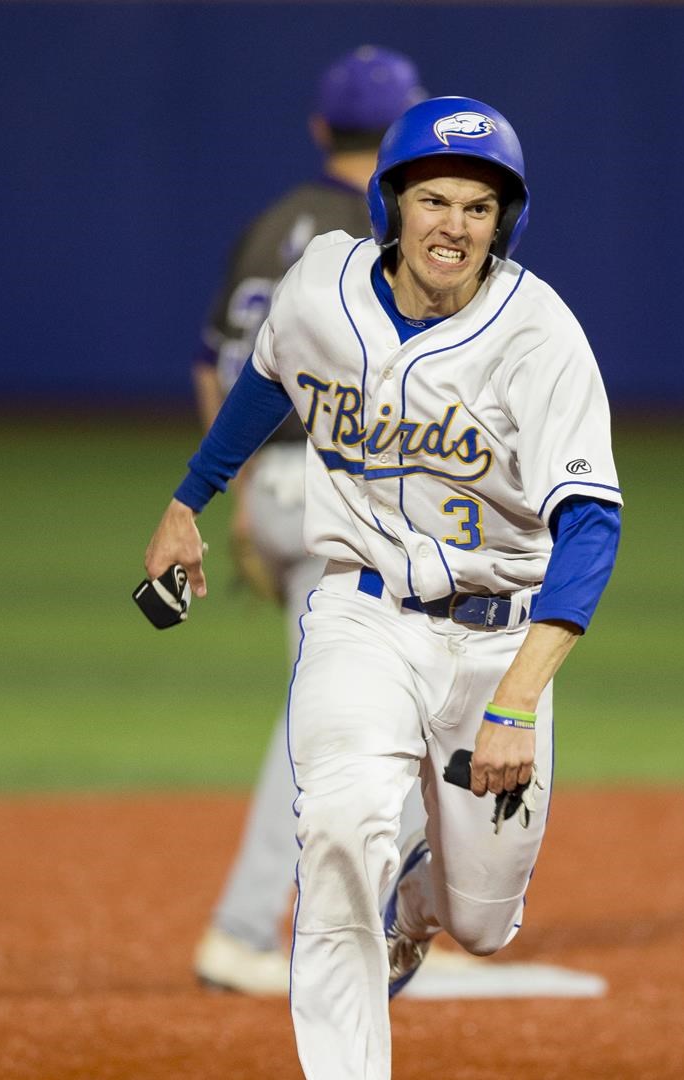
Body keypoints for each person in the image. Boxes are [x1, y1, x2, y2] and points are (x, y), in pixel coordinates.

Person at [143, 95, 623, 1080]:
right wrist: (191, 497)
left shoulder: (539, 337)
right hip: (359, 616)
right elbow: (271, 376)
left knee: (483, 922)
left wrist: (516, 702)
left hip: (497, 642)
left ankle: (423, 903)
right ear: (391, 203)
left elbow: (593, 529)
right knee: (341, 835)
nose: (455, 225)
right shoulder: (323, 282)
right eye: (435, 199)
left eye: (480, 208)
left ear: (505, 222)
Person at [189, 46, 431, 997]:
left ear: (321, 130)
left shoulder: (271, 226)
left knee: (343, 703)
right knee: (341, 715)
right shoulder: (386, 232)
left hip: (277, 485)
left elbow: (219, 364)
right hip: (347, 492)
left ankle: (370, 898)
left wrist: (242, 496)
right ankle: (253, 926)